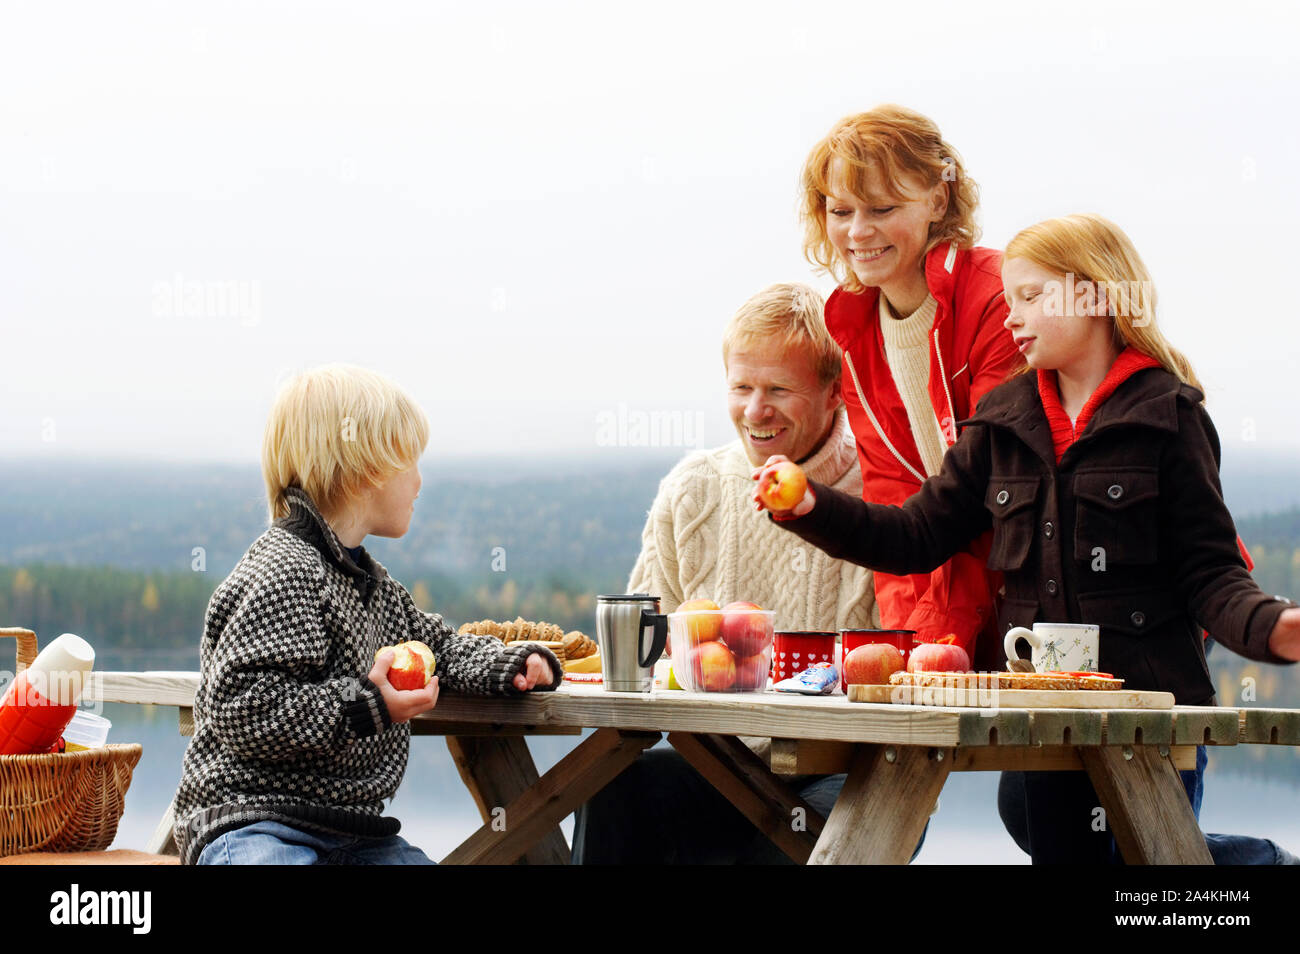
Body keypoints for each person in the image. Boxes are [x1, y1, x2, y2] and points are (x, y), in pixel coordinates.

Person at [756, 214, 1300, 863]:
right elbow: (915, 535)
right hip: (1042, 710)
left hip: (1150, 713)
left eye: (1032, 296)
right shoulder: (1001, 421)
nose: (1012, 316)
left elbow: (1210, 573)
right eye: (1009, 299)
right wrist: (811, 506)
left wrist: (1274, 628)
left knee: (1152, 869)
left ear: (1094, 295)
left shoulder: (1170, 418)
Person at [172, 365, 563, 865]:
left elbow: (441, 649)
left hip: (354, 835)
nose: (419, 482)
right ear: (367, 469)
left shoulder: (375, 588)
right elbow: (242, 710)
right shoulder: (284, 571)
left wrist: (513, 664)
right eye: (412, 462)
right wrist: (364, 705)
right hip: (255, 821)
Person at [571, 283, 886, 864]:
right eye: (741, 387)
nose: (755, 410)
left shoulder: (884, 498)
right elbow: (644, 650)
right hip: (713, 762)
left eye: (779, 390)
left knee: (813, 840)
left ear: (835, 390)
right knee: (613, 787)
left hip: (850, 770)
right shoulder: (694, 489)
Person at [799, 105, 1023, 669]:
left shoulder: (1000, 300)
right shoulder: (856, 333)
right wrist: (910, 646)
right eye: (840, 210)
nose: (857, 232)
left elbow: (989, 494)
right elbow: (898, 512)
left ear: (938, 201)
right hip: (991, 615)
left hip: (1103, 599)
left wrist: (935, 641)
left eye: (883, 208)